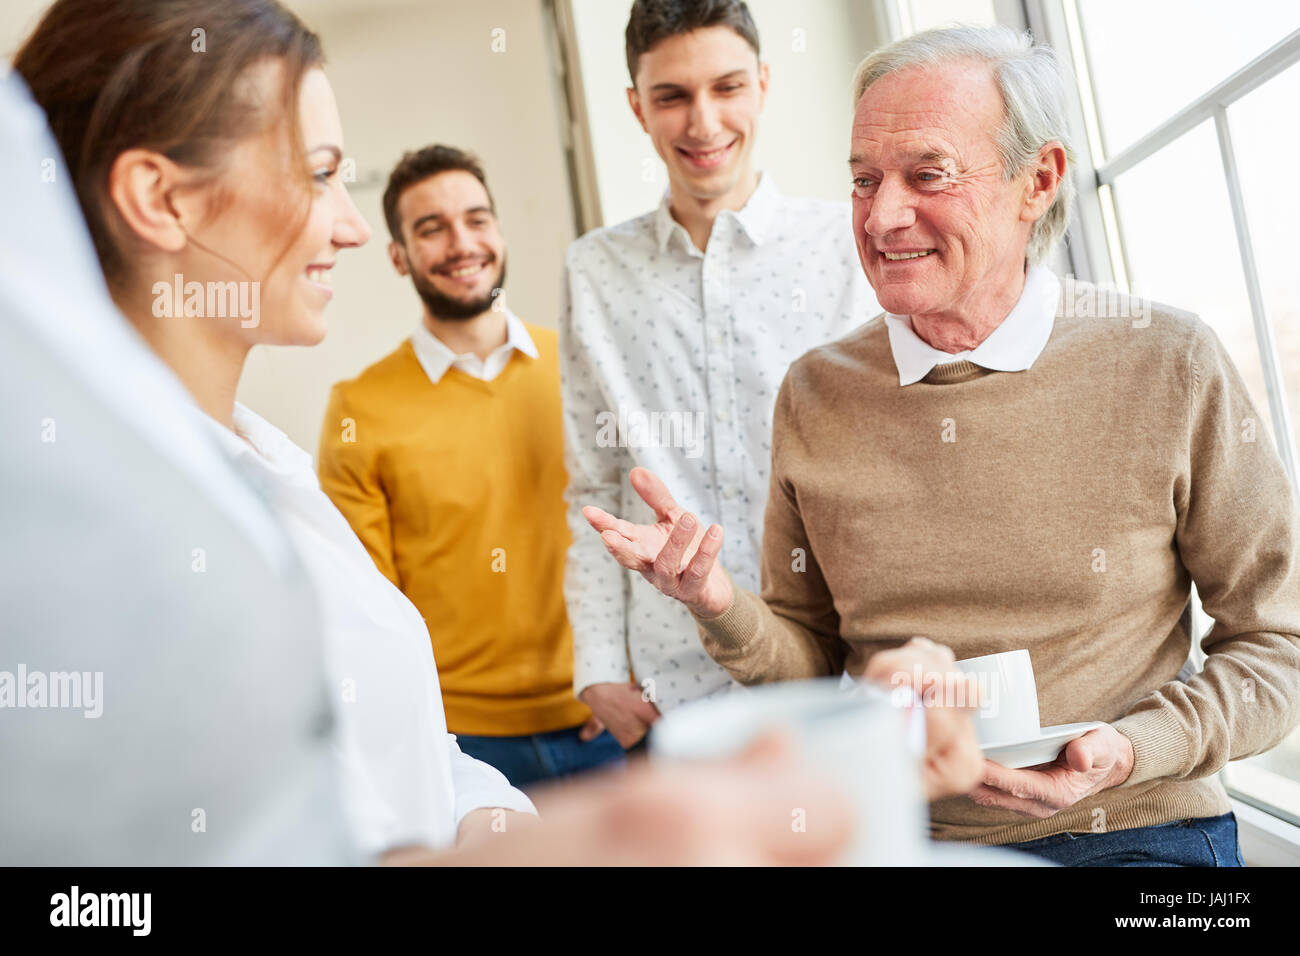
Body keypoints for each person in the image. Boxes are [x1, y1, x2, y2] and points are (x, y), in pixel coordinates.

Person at [581, 25, 1300, 866]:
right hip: (907, 835)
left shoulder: (1168, 360)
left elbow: (1278, 644)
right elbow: (808, 662)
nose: (882, 216)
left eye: (928, 176)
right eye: (863, 180)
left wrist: (1133, 748)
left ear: (1039, 180)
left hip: (1142, 832)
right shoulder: (817, 392)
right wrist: (713, 600)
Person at [0, 66, 356, 866]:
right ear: (162, 201)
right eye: (321, 174)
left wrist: (484, 808)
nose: (352, 228)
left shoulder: (271, 469)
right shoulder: (100, 535)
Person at [561, 0, 880, 749]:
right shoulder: (594, 270)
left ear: (764, 85)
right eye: (672, 96)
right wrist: (600, 666)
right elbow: (596, 478)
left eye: (727, 88)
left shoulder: (847, 243)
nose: (702, 123)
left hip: (838, 666)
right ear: (637, 108)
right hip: (672, 685)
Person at [318, 146, 623, 791]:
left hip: (607, 715)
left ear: (499, 232)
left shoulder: (584, 365)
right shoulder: (359, 408)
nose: (462, 243)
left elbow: (640, 520)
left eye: (477, 219)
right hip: (460, 744)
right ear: (399, 256)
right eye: (432, 228)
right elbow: (366, 606)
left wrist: (624, 667)